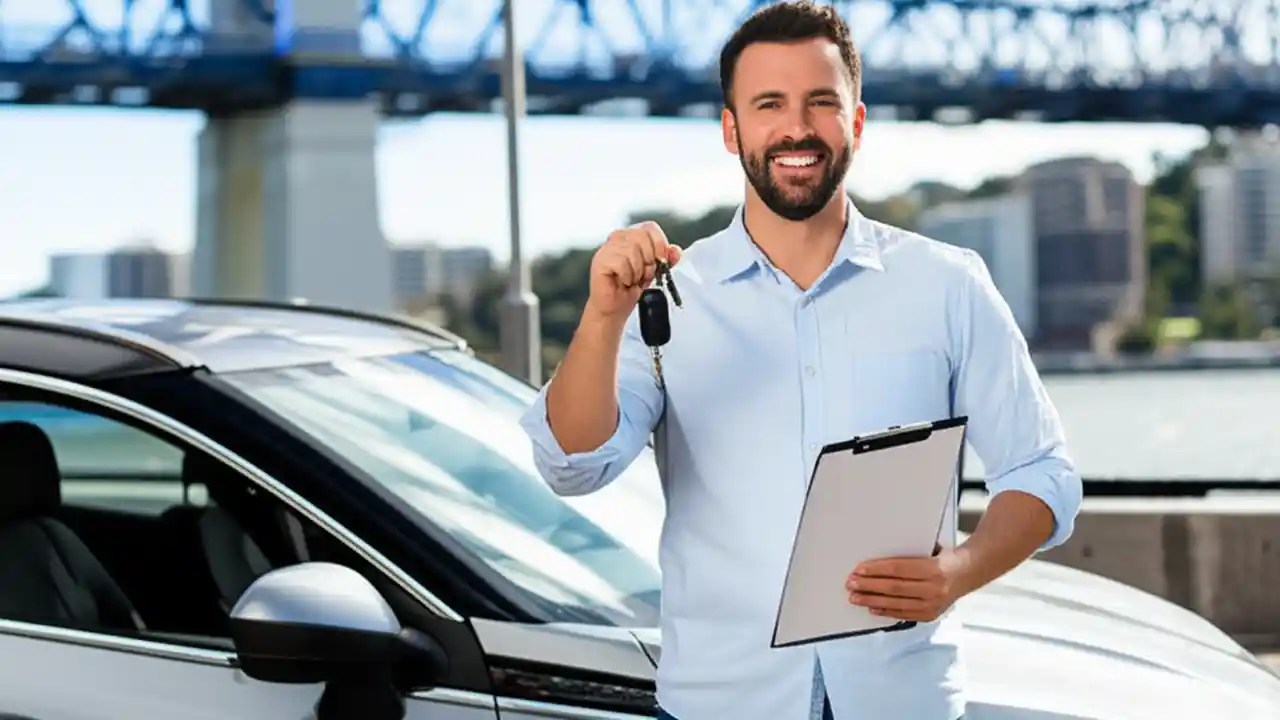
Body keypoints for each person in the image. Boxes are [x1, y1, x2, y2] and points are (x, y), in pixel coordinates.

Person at [518, 2, 1083, 718]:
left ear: (857, 122)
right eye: (769, 104)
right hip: (719, 704)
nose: (797, 128)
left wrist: (960, 571)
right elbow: (572, 465)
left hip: (900, 702)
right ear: (731, 129)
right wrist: (602, 318)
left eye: (821, 102)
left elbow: (1042, 471)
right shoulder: (664, 298)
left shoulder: (948, 284)